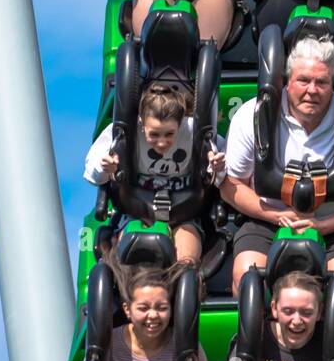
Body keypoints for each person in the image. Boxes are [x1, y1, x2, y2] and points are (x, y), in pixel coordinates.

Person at [222, 34, 334, 298]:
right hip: (267, 218)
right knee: (246, 276)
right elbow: (231, 187)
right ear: (288, 81)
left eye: (321, 82)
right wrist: (275, 217)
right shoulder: (252, 115)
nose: (312, 90)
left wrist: (325, 226)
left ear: (333, 84)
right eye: (303, 80)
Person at [84, 83, 227, 266]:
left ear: (181, 122)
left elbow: (225, 170)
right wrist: (105, 168)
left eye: (169, 134)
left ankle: (186, 286)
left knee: (186, 261)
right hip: (137, 211)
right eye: (154, 135)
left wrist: (217, 167)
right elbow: (91, 172)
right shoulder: (124, 132)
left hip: (184, 212)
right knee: (131, 258)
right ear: (142, 124)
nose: (161, 143)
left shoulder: (194, 130)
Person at [68, 260, 217, 361]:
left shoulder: (185, 346)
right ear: (127, 309)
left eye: (162, 308)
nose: (153, 315)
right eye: (143, 308)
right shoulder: (108, 343)